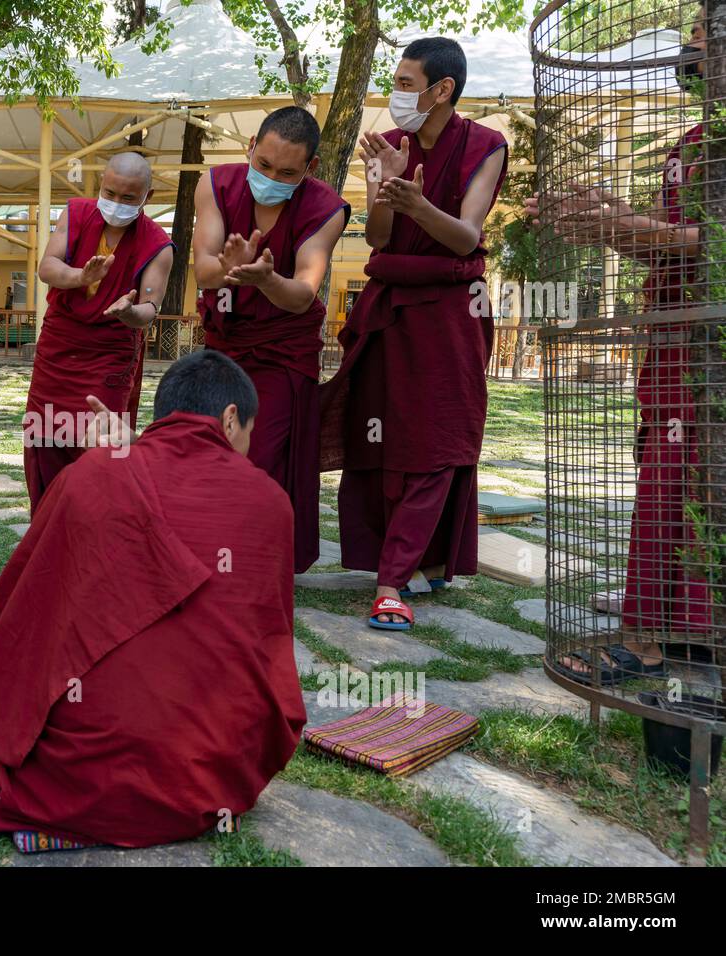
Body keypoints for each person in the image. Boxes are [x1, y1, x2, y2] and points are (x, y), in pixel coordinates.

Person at [0, 349, 305, 851]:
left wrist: (109, 461)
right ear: (230, 418)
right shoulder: (270, 501)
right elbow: (268, 646)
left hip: (77, 775)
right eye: (247, 437)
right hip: (210, 777)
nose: (244, 451)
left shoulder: (95, 474)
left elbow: (20, 619)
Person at [528, 9, 708, 682]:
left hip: (709, 353)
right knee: (665, 484)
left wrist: (626, 224)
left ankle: (667, 636)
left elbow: (711, 245)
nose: (688, 40)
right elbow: (673, 243)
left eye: (702, 28)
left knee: (693, 483)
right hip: (674, 341)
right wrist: (605, 223)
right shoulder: (691, 142)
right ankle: (665, 628)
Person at [321, 37, 507, 631]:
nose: (396, 94)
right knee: (380, 435)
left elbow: (465, 236)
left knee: (438, 439)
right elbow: (377, 236)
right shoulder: (391, 145)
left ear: (442, 89)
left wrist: (418, 203)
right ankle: (412, 560)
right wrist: (385, 189)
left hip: (450, 311)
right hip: (388, 307)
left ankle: (391, 579)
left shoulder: (487, 146)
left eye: (405, 83)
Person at [194, 106, 349, 573]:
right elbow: (204, 271)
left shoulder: (326, 209)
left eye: (286, 172)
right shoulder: (216, 184)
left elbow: (302, 293)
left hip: (283, 349)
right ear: (249, 149)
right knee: (213, 445)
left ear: (311, 168)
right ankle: (210, 553)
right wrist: (232, 268)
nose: (270, 177)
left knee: (261, 453)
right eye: (262, 164)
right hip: (226, 344)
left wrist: (264, 279)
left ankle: (254, 561)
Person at [22, 151, 173, 511]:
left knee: (102, 444)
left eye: (128, 198)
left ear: (147, 198)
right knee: (45, 437)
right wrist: (81, 277)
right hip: (59, 349)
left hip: (109, 356)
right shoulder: (75, 215)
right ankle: (47, 523)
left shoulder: (157, 245)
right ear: (100, 185)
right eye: (110, 193)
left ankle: (98, 526)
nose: (116, 204)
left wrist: (129, 312)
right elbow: (47, 267)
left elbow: (150, 308)